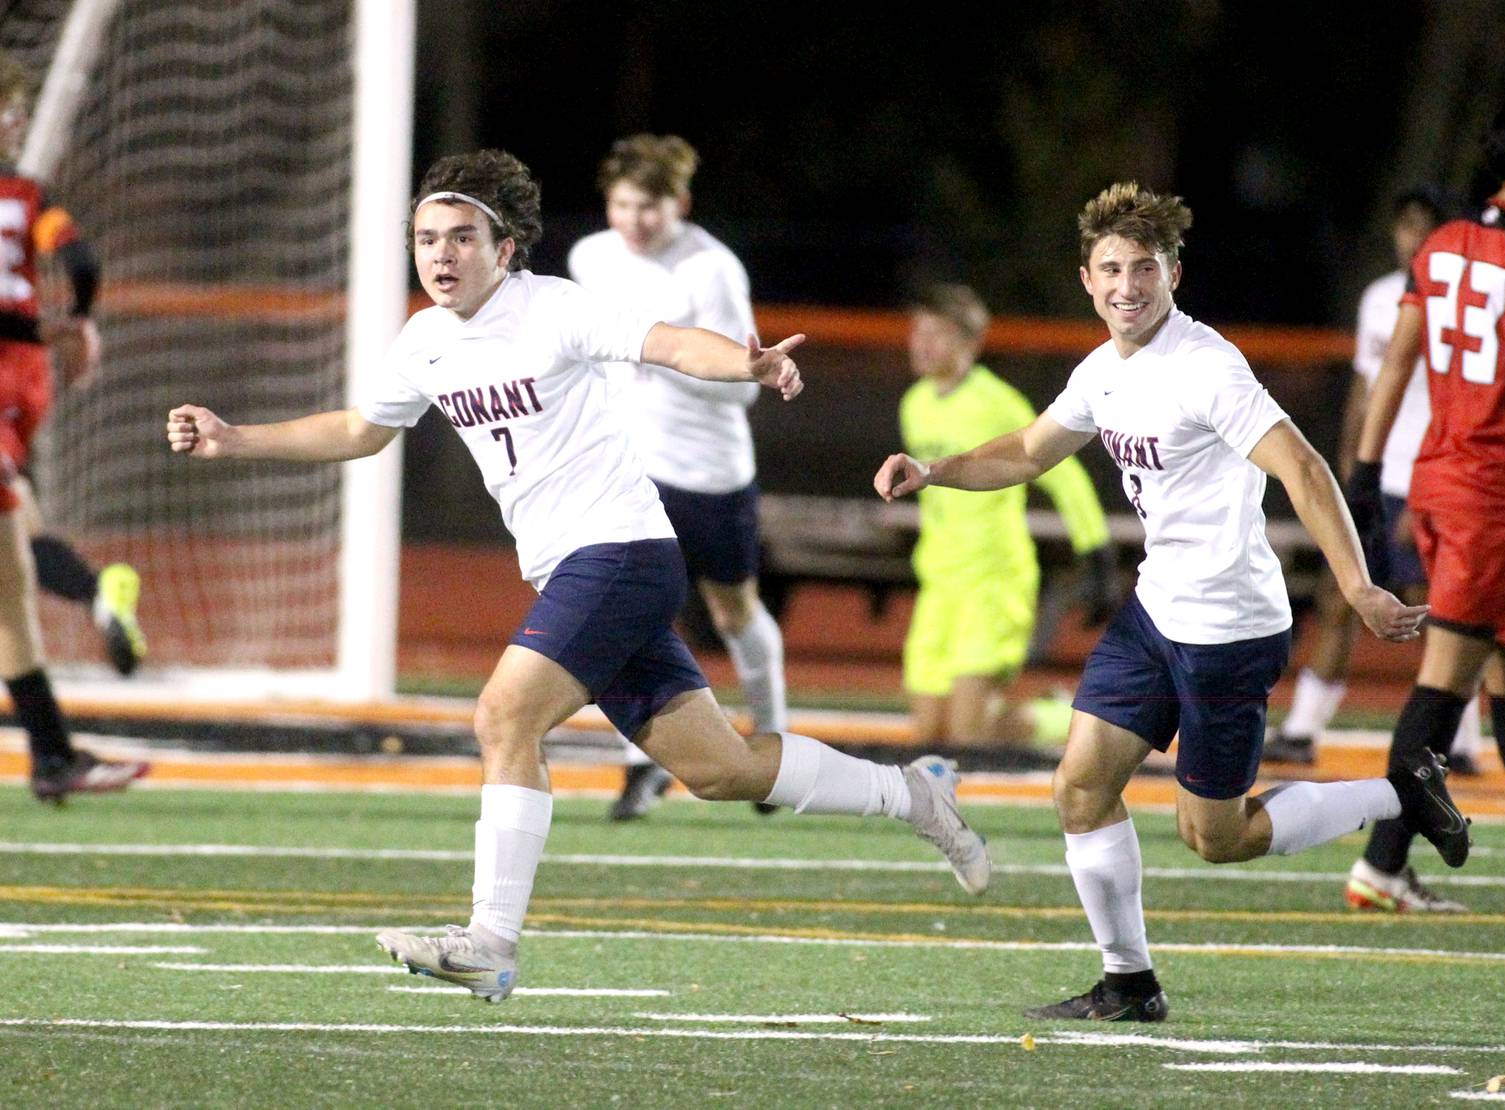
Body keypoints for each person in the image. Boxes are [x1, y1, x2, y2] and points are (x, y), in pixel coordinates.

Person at [166, 149, 991, 1003]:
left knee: (504, 714)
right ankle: (914, 794)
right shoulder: (423, 340)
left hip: (623, 554)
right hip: (573, 568)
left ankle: (490, 940)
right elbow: (359, 429)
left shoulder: (554, 309)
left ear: (507, 247)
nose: (441, 255)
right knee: (720, 770)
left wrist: (746, 363)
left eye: (460, 238)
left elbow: (668, 344)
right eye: (425, 240)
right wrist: (237, 437)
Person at [875, 181, 1467, 1024]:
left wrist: (1358, 583)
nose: (1127, 285)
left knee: (1215, 838)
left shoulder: (1206, 366)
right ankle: (1128, 981)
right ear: (1087, 278)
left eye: (1144, 268)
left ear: (1174, 273)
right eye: (1111, 268)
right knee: (1080, 787)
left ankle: (1400, 792)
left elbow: (1300, 465)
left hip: (1227, 629)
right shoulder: (1101, 370)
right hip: (1157, 616)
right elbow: (1029, 450)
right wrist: (933, 469)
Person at [1346, 95, 1505, 918]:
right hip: (1494, 495)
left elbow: (1394, 368)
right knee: (1441, 687)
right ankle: (1382, 864)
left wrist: (1365, 466)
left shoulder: (1443, 244)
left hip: (1432, 477)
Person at [567, 134, 788, 820]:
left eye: (650, 207)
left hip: (707, 471)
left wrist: (663, 357)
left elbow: (742, 390)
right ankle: (643, 765)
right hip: (626, 468)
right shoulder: (590, 258)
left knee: (731, 610)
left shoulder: (709, 271)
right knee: (629, 609)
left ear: (681, 204)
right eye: (623, 204)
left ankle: (773, 740)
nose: (634, 220)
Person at [1265, 189, 1485, 799]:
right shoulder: (1380, 299)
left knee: (1436, 606)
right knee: (1342, 595)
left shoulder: (1467, 300)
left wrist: (1429, 485)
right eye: (1405, 226)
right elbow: (1368, 390)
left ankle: (1462, 738)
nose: (1412, 239)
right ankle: (1303, 728)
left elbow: (1463, 400)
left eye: (1425, 227)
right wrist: (1347, 470)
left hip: (1435, 478)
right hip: (1378, 474)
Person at [0, 52, 147, 800]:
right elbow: (79, 258)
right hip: (17, 383)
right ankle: (54, 751)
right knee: (12, 573)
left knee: (11, 576)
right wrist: (71, 321)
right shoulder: (27, 197)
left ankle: (53, 754)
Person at [897, 282, 1113, 749]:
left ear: (970, 342)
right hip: (940, 585)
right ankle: (1052, 709)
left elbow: (1064, 475)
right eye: (918, 331)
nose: (922, 343)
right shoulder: (914, 404)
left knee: (966, 734)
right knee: (928, 733)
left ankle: (1063, 718)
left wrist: (1095, 551)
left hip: (993, 582)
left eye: (937, 333)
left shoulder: (997, 402)